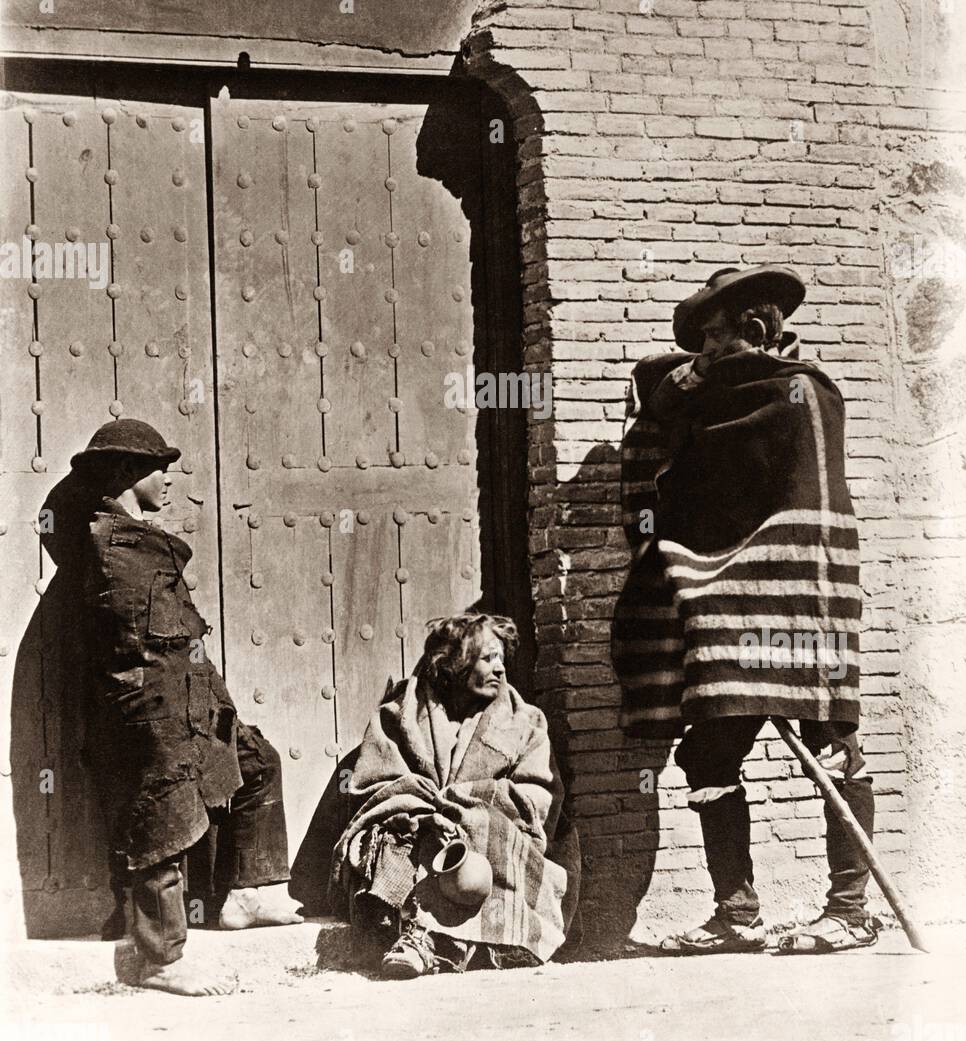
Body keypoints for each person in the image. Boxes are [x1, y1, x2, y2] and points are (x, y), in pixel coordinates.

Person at [612, 266, 878, 955]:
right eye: (699, 338)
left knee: (832, 751)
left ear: (756, 330)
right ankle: (737, 914)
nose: (703, 351)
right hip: (726, 605)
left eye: (714, 335)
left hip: (795, 603)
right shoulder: (704, 406)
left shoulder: (803, 393)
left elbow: (814, 512)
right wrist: (689, 376)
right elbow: (656, 402)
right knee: (708, 754)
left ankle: (850, 909)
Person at [72, 419, 302, 996]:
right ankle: (160, 960)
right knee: (163, 825)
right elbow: (145, 647)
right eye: (160, 468)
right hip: (151, 708)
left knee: (258, 762)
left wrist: (214, 706)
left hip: (188, 698)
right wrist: (175, 723)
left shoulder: (139, 541)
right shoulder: (113, 546)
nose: (171, 480)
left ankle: (249, 893)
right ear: (127, 473)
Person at [333, 613, 579, 978]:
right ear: (453, 664)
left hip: (491, 844)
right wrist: (424, 809)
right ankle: (420, 936)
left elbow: (539, 796)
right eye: (486, 658)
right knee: (399, 832)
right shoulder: (398, 716)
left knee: (481, 828)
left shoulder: (526, 723)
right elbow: (374, 787)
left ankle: (437, 941)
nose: (499, 668)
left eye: (501, 658)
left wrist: (472, 804)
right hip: (423, 834)